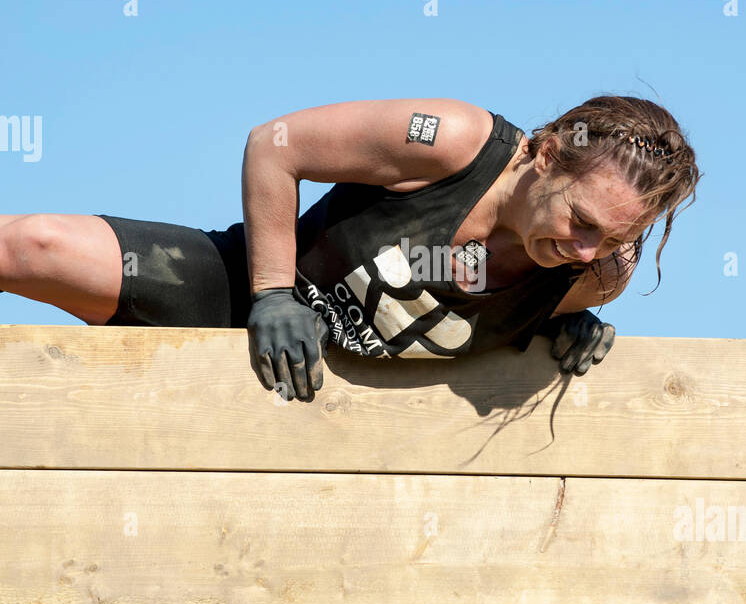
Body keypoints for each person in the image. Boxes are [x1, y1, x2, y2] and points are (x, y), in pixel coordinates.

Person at [0, 95, 699, 402]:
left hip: (352, 411)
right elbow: (274, 146)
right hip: (241, 299)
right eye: (580, 221)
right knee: (28, 245)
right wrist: (272, 292)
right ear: (546, 155)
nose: (584, 250)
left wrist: (556, 323)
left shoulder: (597, 274)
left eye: (611, 238)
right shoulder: (449, 140)